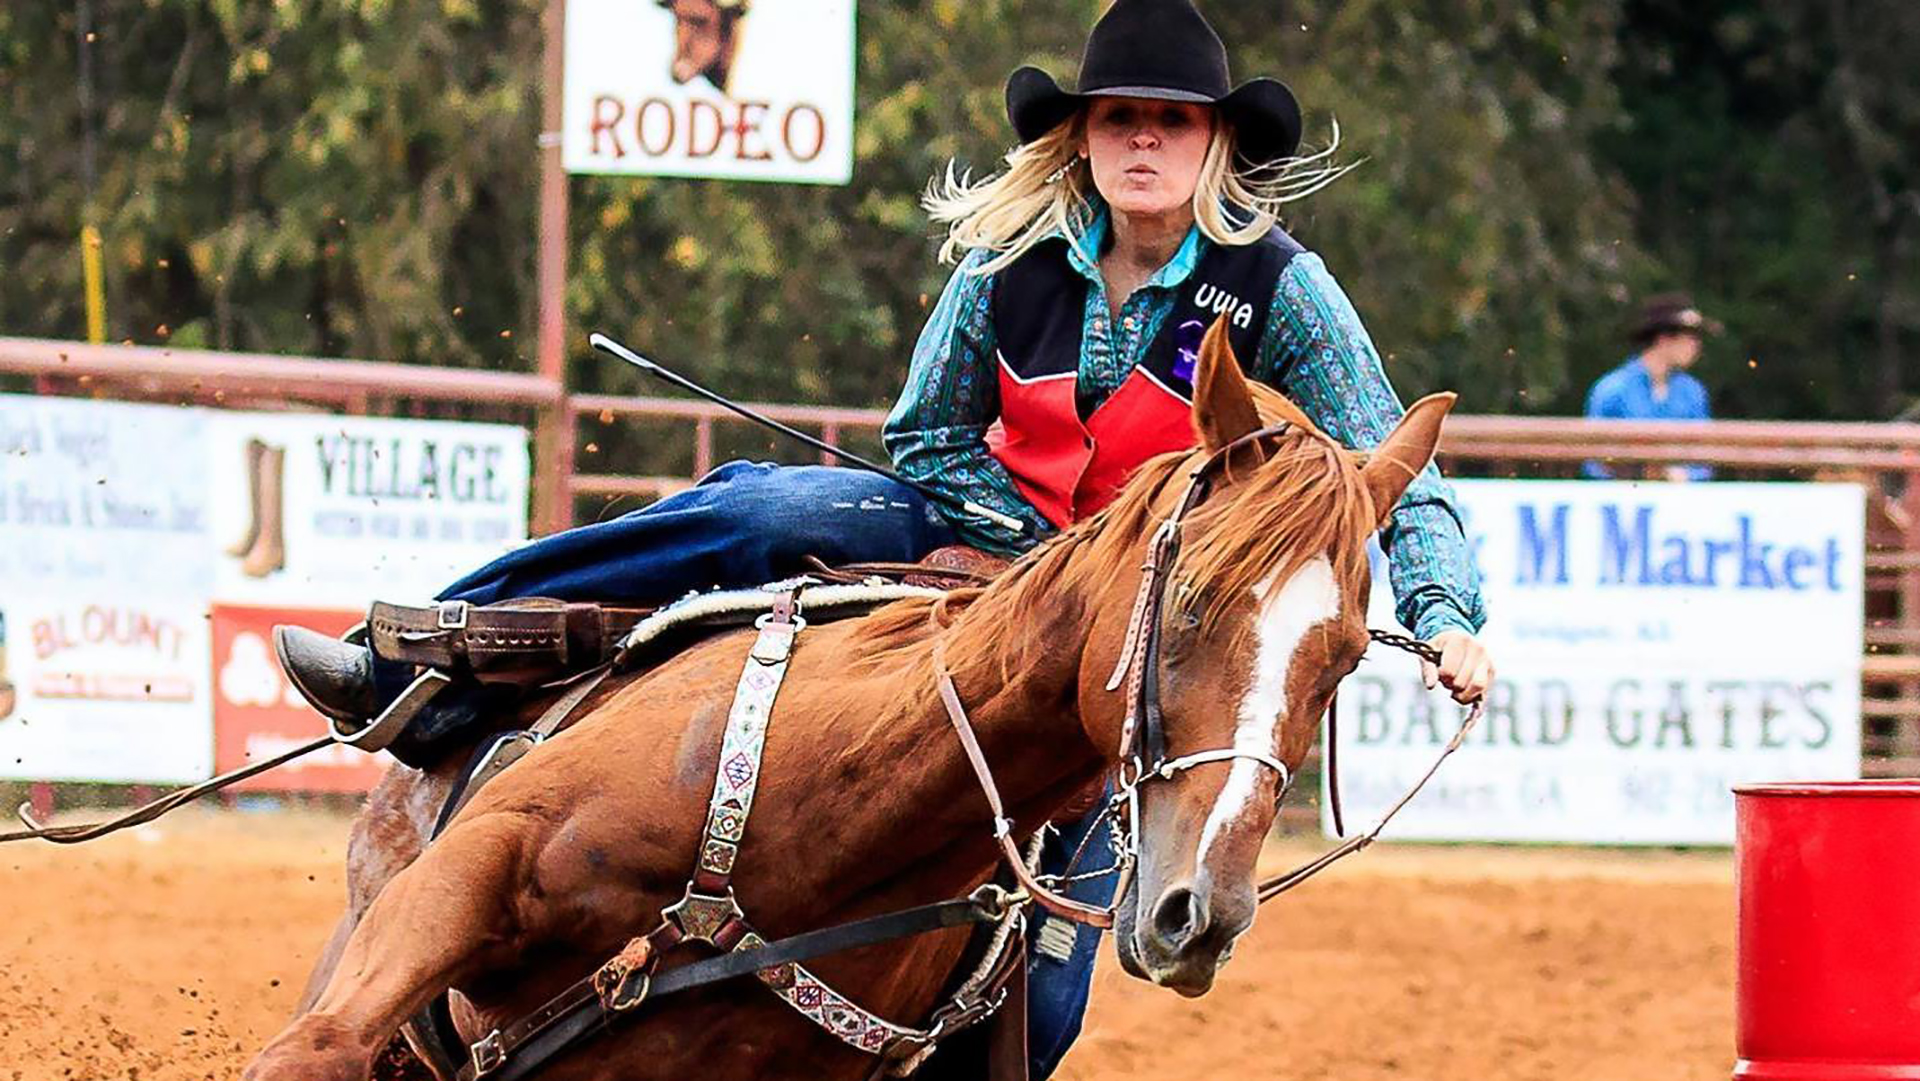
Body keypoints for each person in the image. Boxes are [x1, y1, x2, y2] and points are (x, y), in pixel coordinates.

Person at [277, 0, 1493, 1074]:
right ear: (1080, 135)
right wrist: (1027, 551)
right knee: (758, 505)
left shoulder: (1280, 287)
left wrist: (1446, 616)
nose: (1141, 140)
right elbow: (928, 434)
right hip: (978, 537)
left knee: (1052, 1004)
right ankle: (430, 654)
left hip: (1128, 638)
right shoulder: (1006, 262)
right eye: (1119, 116)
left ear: (1212, 143)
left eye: (1170, 121)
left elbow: (1390, 466)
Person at [1583, 293, 1719, 481]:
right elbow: (1594, 461)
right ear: (1664, 339)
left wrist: (1685, 476)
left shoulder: (1693, 391)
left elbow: (1705, 458)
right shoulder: (1612, 389)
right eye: (1690, 337)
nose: (1696, 346)